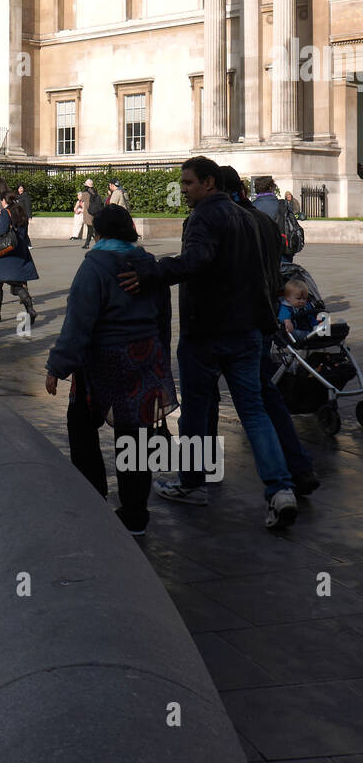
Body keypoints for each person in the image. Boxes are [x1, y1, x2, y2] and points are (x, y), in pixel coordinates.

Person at [118, 156, 299, 530]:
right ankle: (281, 490)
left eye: (188, 183)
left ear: (209, 183)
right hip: (248, 329)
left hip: (208, 331)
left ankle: (192, 483)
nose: (182, 190)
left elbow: (195, 261)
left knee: (197, 412)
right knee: (253, 410)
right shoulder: (248, 218)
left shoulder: (205, 217)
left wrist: (153, 272)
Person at [45, 204, 176, 536]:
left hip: (103, 360)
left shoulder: (95, 266)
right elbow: (163, 318)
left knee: (81, 422)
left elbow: (79, 322)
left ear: (99, 233)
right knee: (137, 435)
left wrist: (58, 366)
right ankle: (135, 513)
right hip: (145, 356)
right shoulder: (148, 264)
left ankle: (93, 496)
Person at [220, 164, 318, 496]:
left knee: (221, 403)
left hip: (228, 324)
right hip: (262, 314)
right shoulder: (265, 216)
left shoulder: (221, 222)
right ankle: (299, 468)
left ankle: (196, 477)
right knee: (265, 397)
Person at [0, 196, 39, 324]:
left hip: (6, 253)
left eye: (2, 200)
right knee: (16, 285)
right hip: (19, 250)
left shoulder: (6, 212)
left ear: (5, 200)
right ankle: (30, 309)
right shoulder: (21, 211)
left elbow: (2, 230)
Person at [252, 176, 299, 261]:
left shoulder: (251, 206)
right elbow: (293, 227)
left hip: (258, 251)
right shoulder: (283, 205)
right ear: (271, 188)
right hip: (281, 249)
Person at [78, 178, 102, 250]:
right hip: (95, 212)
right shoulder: (95, 192)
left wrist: (80, 195)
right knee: (92, 229)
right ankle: (88, 244)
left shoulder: (85, 193)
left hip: (88, 213)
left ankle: (97, 244)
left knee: (91, 230)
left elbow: (80, 199)